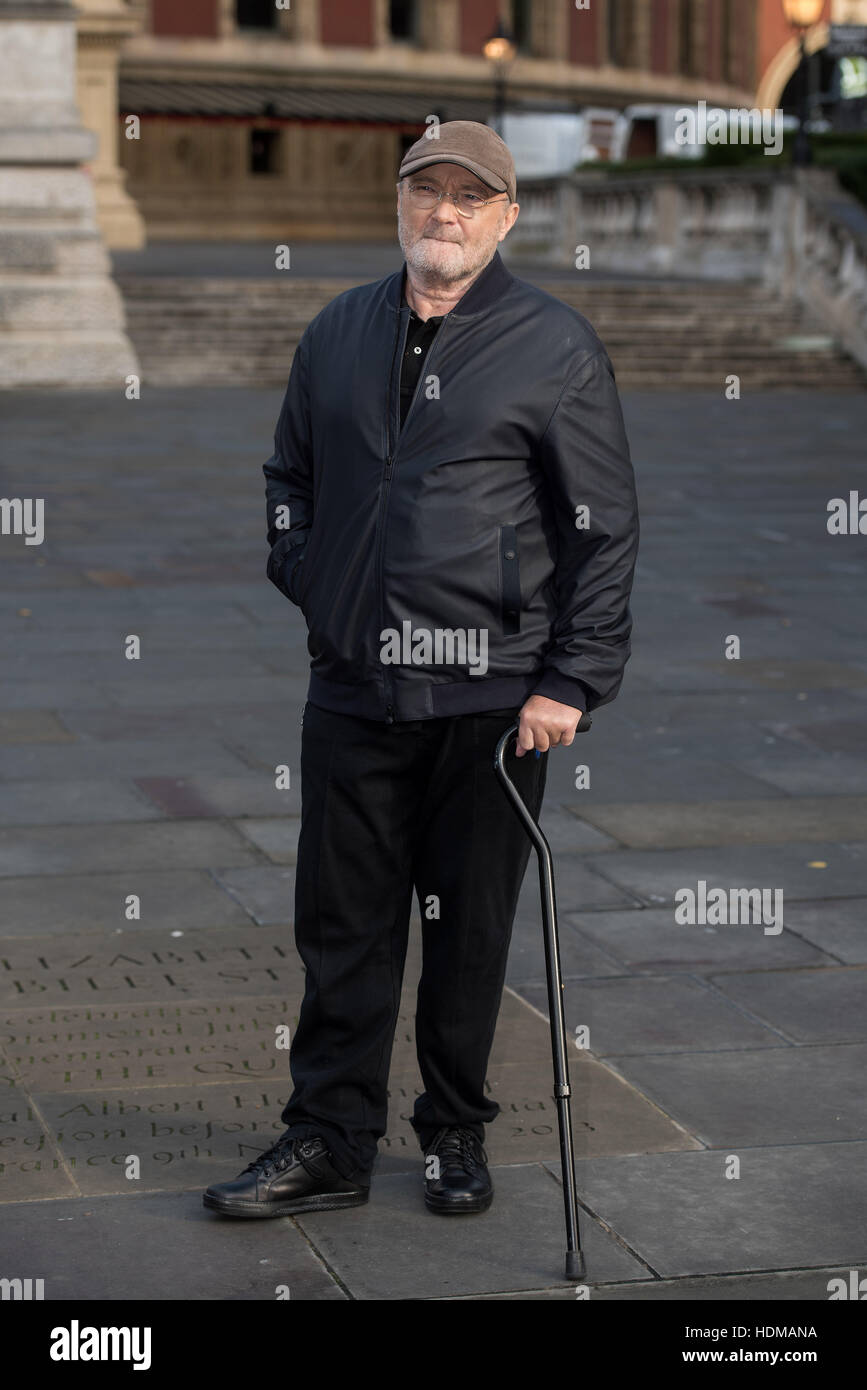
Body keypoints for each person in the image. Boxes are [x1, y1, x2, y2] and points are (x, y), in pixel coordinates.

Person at [203, 120, 639, 1221]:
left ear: (506, 217)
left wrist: (570, 681)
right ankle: (328, 1140)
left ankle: (453, 1134)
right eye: (425, 190)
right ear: (399, 202)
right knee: (341, 928)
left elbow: (602, 529)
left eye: (468, 197)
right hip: (353, 686)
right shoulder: (339, 328)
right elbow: (286, 475)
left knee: (469, 928)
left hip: (492, 697)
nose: (443, 212)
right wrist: (316, 580)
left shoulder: (554, 344)